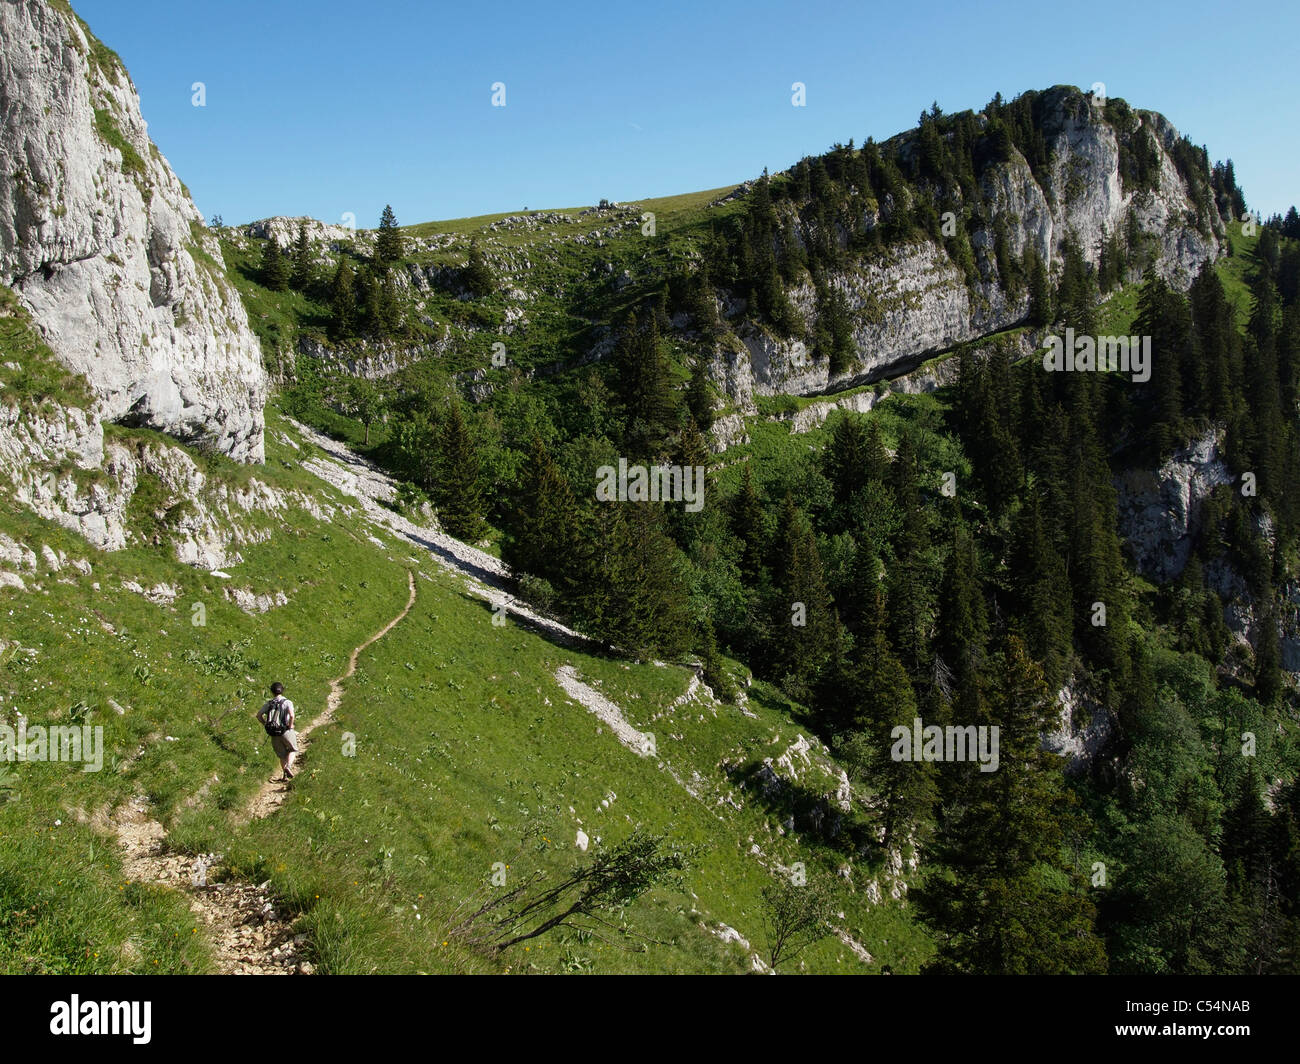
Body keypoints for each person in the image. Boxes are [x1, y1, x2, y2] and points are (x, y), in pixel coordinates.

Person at [257, 682, 297, 782]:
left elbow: (259, 715)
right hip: (286, 730)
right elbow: (291, 715)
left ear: (272, 691)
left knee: (282, 755)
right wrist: (290, 725)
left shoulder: (269, 703)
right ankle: (289, 766)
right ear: (282, 690)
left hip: (274, 733)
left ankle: (284, 776)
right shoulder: (288, 702)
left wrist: (266, 724)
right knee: (293, 749)